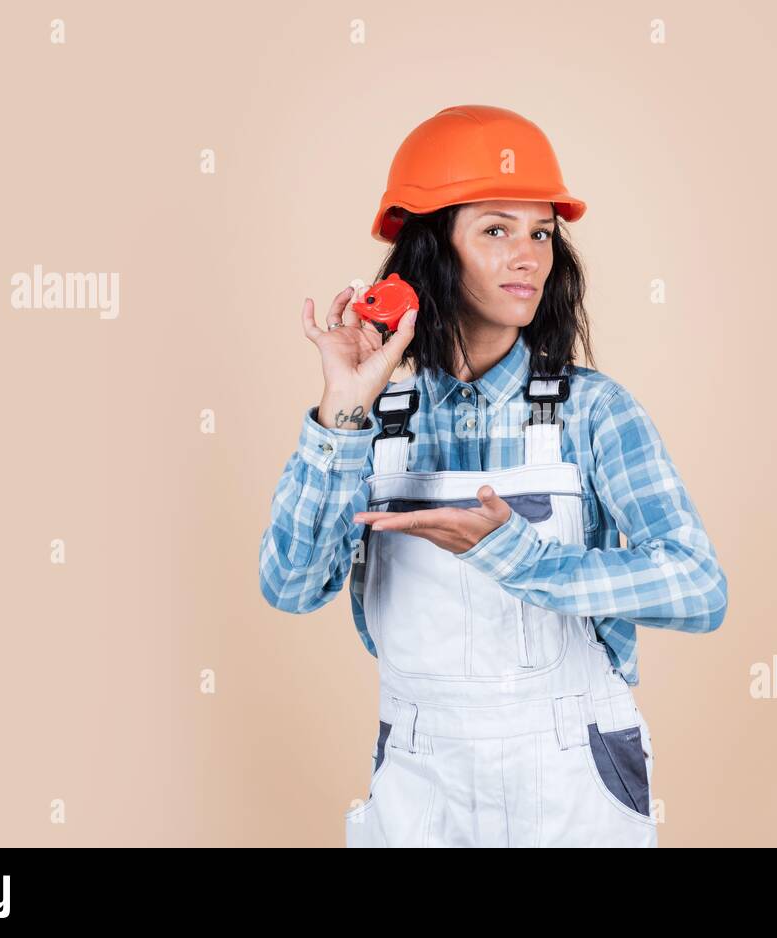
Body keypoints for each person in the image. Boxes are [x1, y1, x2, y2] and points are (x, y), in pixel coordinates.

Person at [260, 104, 727, 847]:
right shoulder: (373, 419)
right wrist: (343, 412)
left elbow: (699, 589)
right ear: (431, 250)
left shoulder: (594, 412)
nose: (530, 257)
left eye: (541, 232)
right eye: (496, 230)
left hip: (571, 769)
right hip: (422, 775)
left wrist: (513, 556)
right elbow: (289, 587)